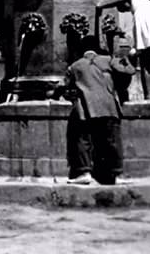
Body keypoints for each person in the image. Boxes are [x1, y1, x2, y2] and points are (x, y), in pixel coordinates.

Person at [57, 39, 135, 185]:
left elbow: (65, 86)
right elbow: (128, 72)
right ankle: (117, 175)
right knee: (112, 140)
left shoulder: (75, 65)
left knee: (83, 139)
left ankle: (84, 172)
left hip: (88, 107)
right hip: (109, 106)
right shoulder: (108, 60)